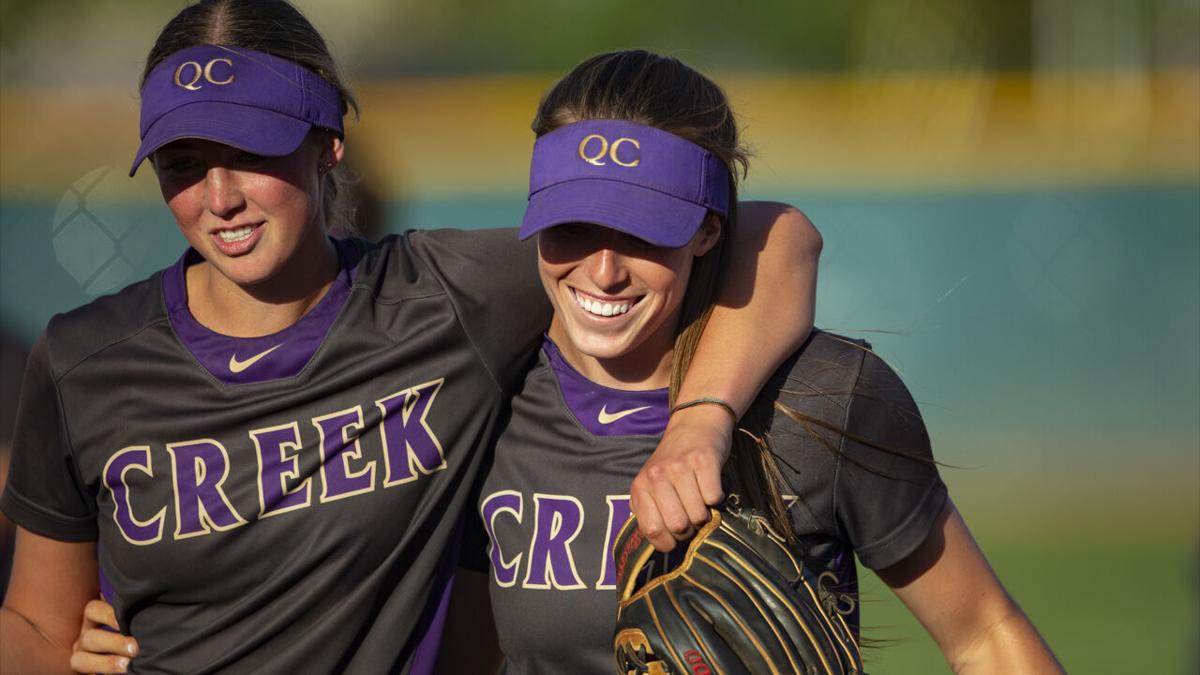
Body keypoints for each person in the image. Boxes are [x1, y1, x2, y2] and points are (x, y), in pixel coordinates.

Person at [0, 3, 823, 674]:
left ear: (329, 145)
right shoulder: (85, 361)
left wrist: (697, 424)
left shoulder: (449, 298)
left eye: (251, 151)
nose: (218, 196)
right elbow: (37, 627)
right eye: (182, 162)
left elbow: (775, 234)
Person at [423, 50, 1063, 673]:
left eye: (643, 232)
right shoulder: (488, 389)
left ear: (708, 229)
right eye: (572, 226)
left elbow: (984, 635)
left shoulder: (816, 398)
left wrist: (701, 420)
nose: (604, 271)